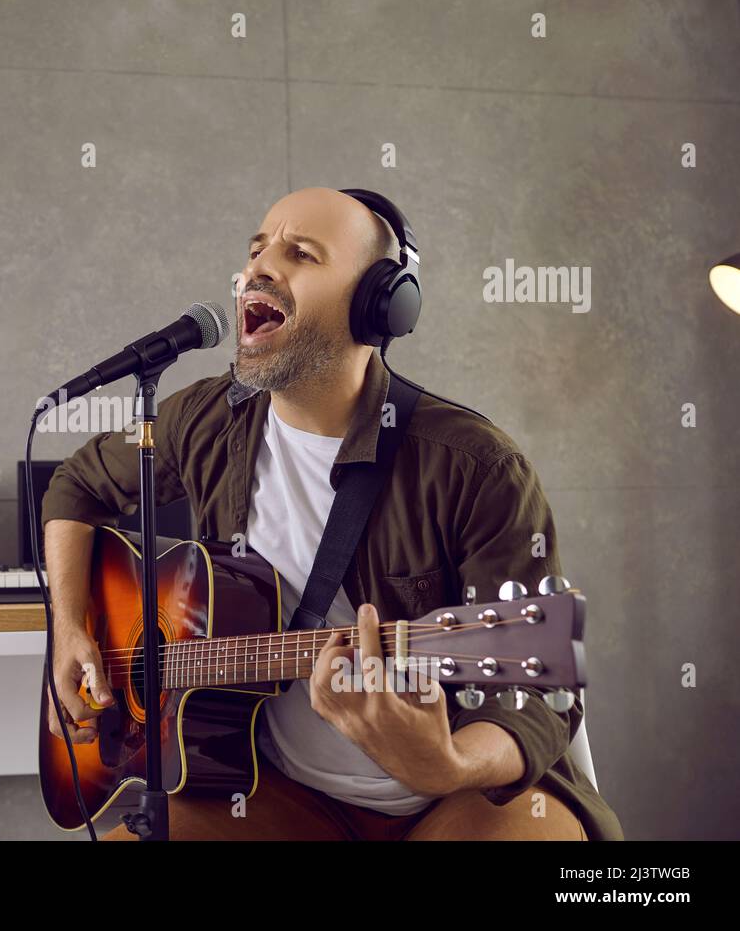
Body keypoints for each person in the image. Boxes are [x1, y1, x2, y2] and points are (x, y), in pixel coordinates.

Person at [40, 187, 623, 840]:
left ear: (380, 305)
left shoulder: (474, 463)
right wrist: (70, 627)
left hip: (464, 798)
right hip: (274, 790)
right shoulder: (202, 416)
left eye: (301, 254)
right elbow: (74, 487)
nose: (258, 268)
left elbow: (537, 692)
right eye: (256, 249)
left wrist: (449, 760)